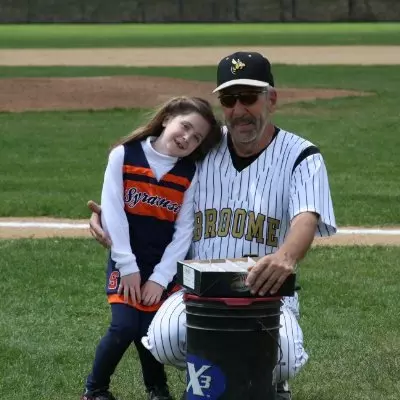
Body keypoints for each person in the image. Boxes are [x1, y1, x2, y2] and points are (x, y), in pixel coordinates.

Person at [88, 51, 337, 400]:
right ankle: (221, 381)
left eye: (249, 97)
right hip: (196, 295)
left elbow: (306, 219)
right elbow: (141, 179)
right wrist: (107, 219)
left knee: (285, 359)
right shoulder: (202, 146)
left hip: (268, 298)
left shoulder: (301, 155)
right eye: (229, 99)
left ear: (272, 99)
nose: (239, 110)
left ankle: (263, 381)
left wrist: (287, 256)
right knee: (161, 337)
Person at [81, 96, 222, 400]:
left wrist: (159, 278)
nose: (187, 138)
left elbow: (184, 232)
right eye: (185, 126)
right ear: (167, 117)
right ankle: (95, 390)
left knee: (150, 332)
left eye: (197, 137)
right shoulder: (124, 155)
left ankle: (157, 390)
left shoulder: (189, 172)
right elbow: (114, 212)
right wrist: (127, 266)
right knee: (124, 327)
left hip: (163, 270)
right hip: (126, 263)